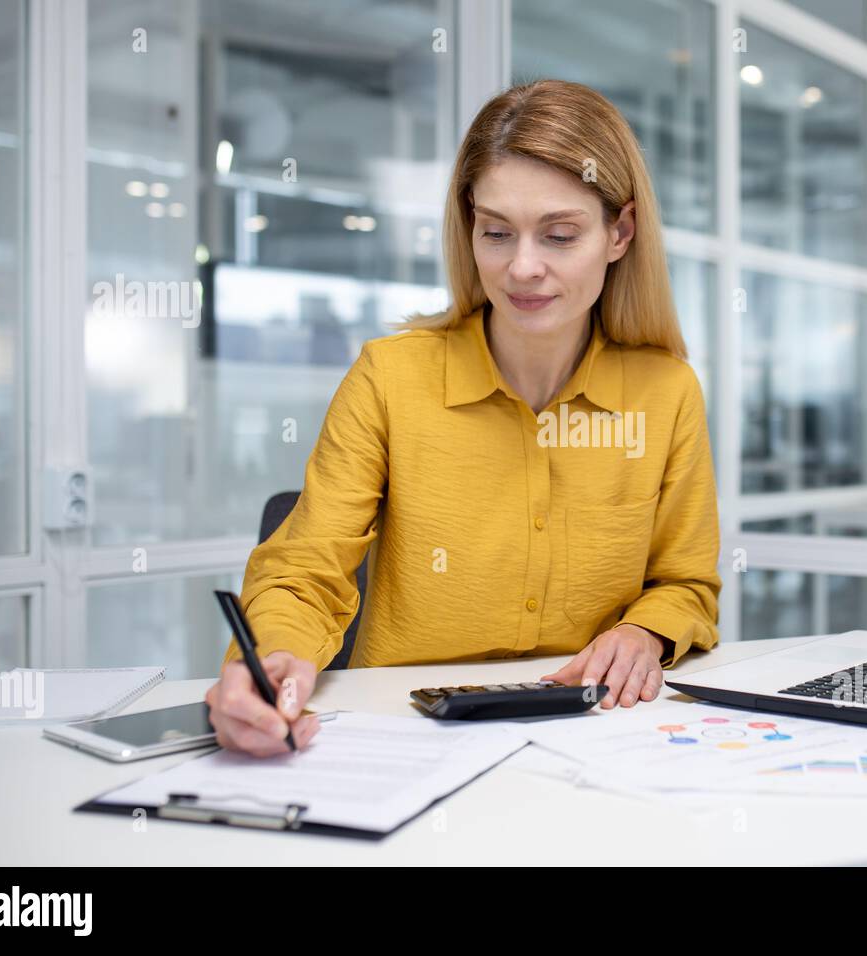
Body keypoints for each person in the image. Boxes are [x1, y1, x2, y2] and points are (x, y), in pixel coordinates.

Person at [206, 79, 722, 755]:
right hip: (410, 737)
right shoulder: (390, 378)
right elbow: (304, 572)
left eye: (560, 235)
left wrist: (645, 633)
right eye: (497, 233)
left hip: (597, 737)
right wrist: (272, 657)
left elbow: (686, 584)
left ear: (619, 232)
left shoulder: (667, 391)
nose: (522, 267)